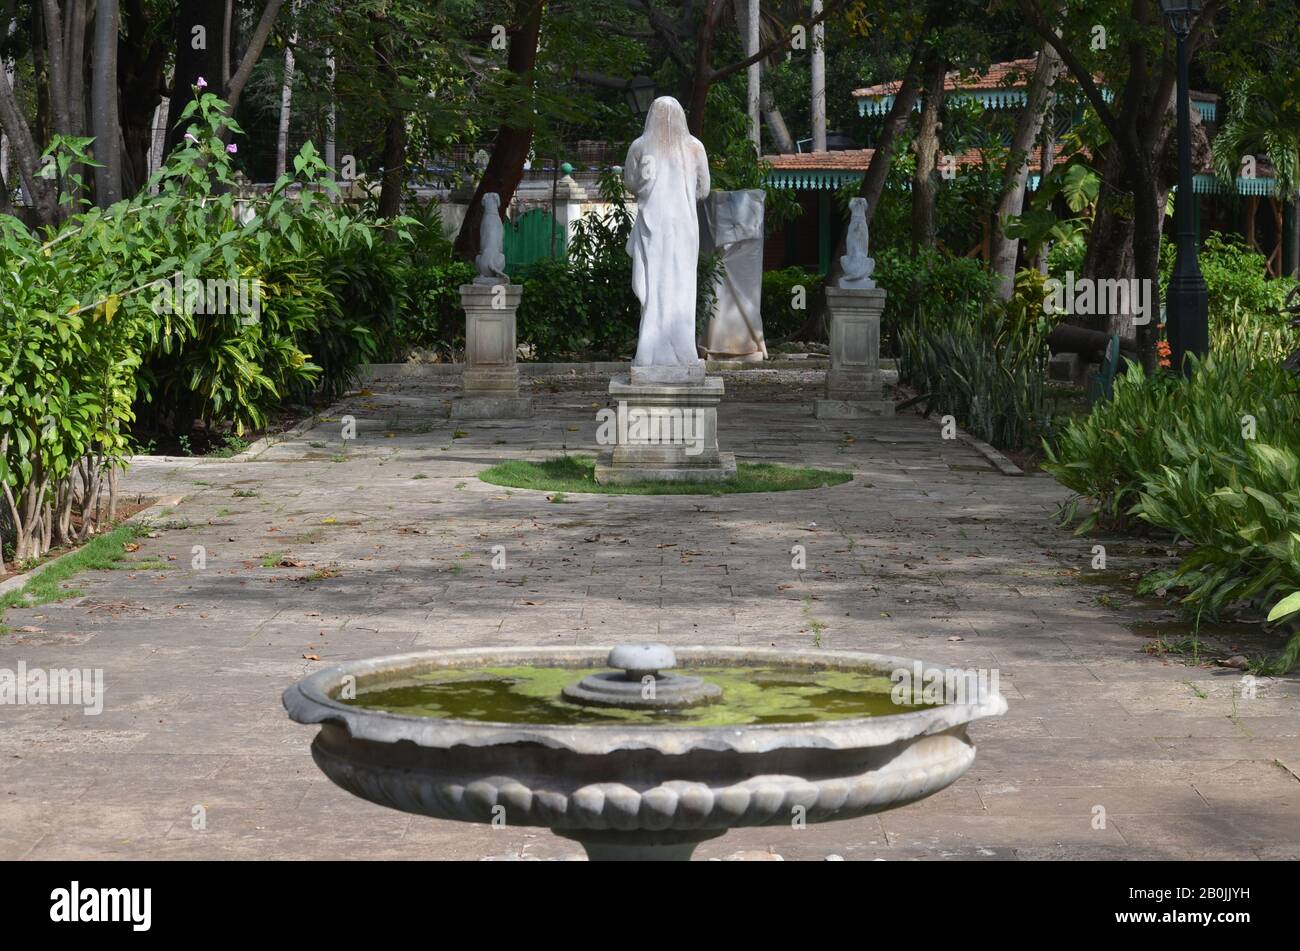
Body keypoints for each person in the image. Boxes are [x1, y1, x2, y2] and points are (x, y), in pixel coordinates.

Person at [622, 97, 710, 372]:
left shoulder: (640, 146)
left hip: (653, 227)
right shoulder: (695, 148)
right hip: (683, 228)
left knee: (654, 287)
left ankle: (648, 351)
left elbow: (630, 184)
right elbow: (703, 190)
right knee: (682, 287)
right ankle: (683, 351)